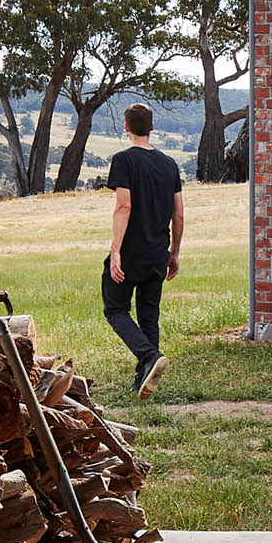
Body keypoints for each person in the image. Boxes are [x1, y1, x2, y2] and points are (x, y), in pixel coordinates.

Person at [102, 103, 183, 397]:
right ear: (152, 127)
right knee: (149, 315)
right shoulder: (170, 164)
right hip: (157, 254)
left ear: (127, 128)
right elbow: (179, 214)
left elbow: (124, 206)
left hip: (132, 253)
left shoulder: (123, 161)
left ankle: (148, 357)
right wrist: (173, 252)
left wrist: (116, 251)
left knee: (115, 309)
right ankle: (144, 379)